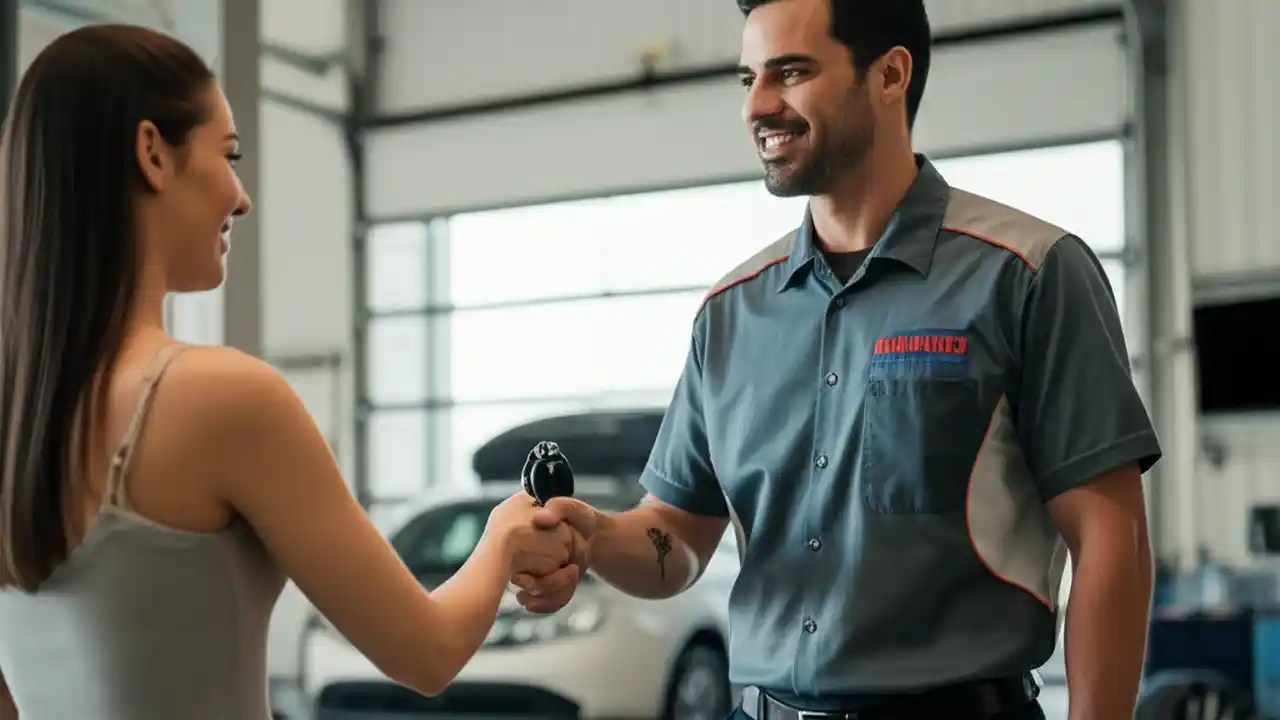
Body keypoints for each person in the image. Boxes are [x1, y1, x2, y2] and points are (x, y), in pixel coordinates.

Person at [512, 0, 1160, 718]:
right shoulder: (731, 314)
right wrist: (593, 536)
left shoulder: (1028, 274)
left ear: (890, 74)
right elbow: (679, 542)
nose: (758, 105)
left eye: (790, 73)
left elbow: (1112, 540)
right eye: (747, 78)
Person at [0, 24, 573, 720]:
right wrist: (505, 536)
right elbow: (426, 652)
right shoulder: (221, 399)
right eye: (228, 154)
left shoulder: (15, 417)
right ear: (152, 152)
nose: (240, 197)